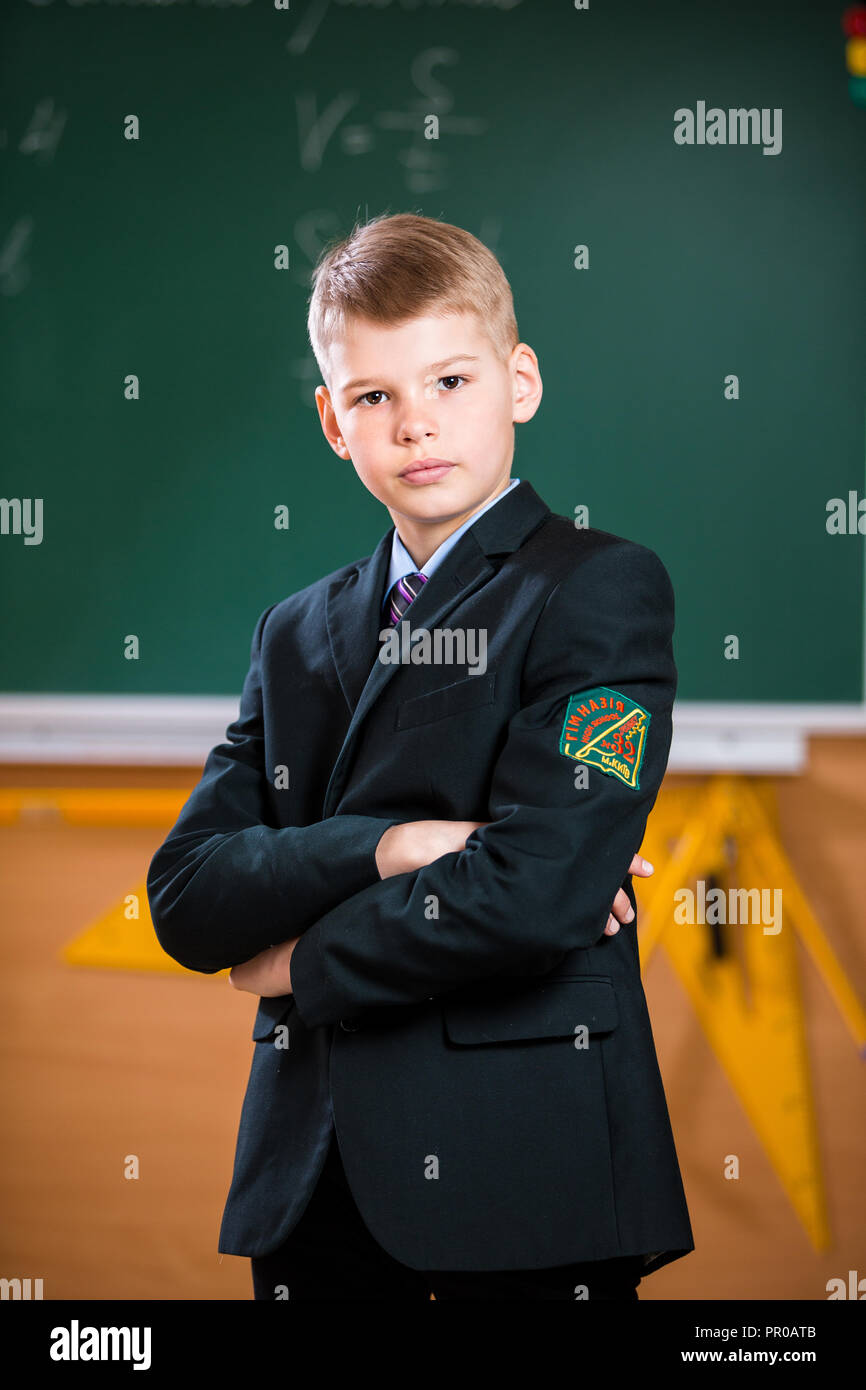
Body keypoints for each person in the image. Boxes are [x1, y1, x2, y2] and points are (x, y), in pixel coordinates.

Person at [147, 212, 694, 1301]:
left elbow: (538, 889)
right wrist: (397, 844)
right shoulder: (294, 630)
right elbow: (187, 893)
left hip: (517, 1175)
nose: (414, 426)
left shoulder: (595, 587)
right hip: (308, 1185)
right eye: (372, 397)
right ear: (331, 421)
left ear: (518, 380)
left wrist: (294, 964)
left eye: (448, 381)